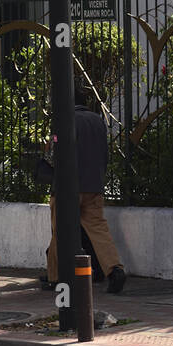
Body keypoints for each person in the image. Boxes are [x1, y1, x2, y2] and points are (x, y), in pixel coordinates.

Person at [45, 85, 126, 294]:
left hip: (67, 188)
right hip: (94, 185)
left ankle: (55, 277)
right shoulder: (98, 121)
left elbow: (55, 154)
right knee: (99, 230)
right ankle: (114, 269)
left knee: (60, 231)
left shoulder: (63, 120)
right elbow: (104, 154)